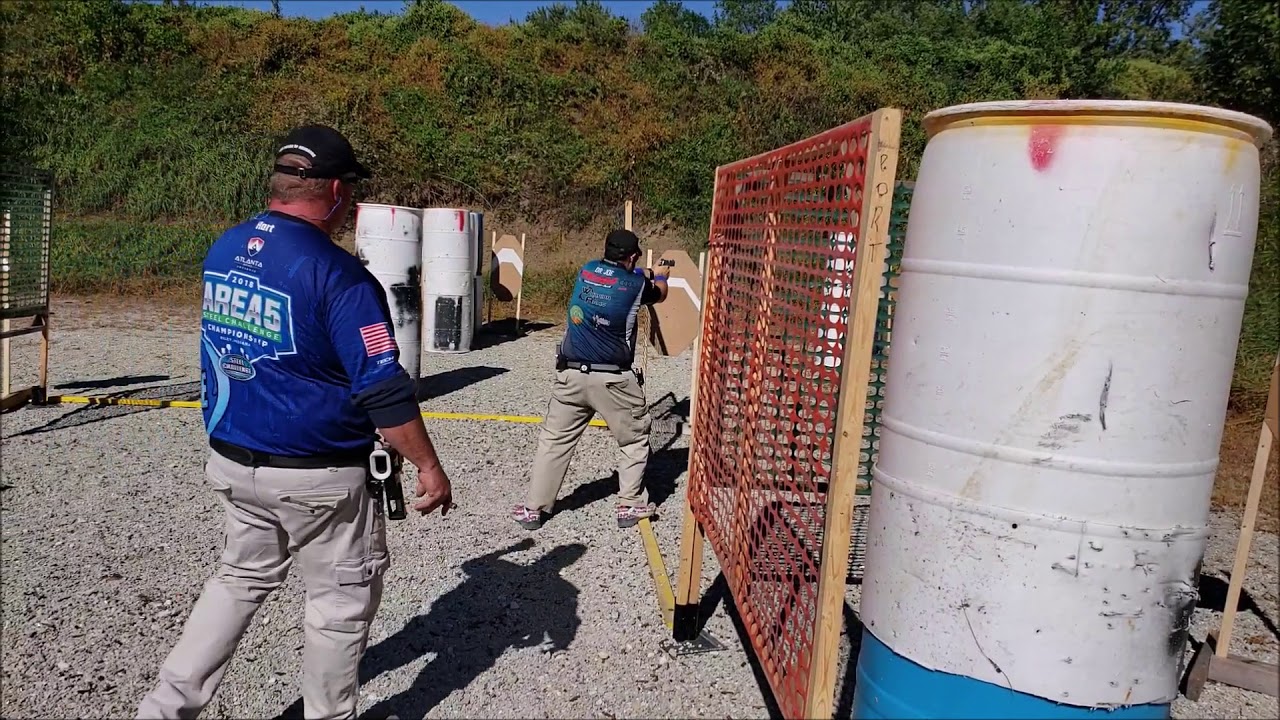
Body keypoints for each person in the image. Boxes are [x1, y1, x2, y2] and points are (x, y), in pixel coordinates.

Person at [136, 125, 454, 720]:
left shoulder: (225, 246)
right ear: (334, 190)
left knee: (236, 582)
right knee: (338, 606)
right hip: (318, 475)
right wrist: (430, 466)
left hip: (235, 458)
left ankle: (163, 709)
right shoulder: (341, 276)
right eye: (350, 190)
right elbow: (383, 386)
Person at [512, 228, 669, 530]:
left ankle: (534, 508)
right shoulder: (637, 285)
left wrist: (644, 270)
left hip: (570, 375)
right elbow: (659, 294)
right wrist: (660, 275)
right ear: (633, 256)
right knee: (634, 440)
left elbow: (626, 274)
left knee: (554, 441)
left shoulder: (587, 271)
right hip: (613, 380)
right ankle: (629, 504)